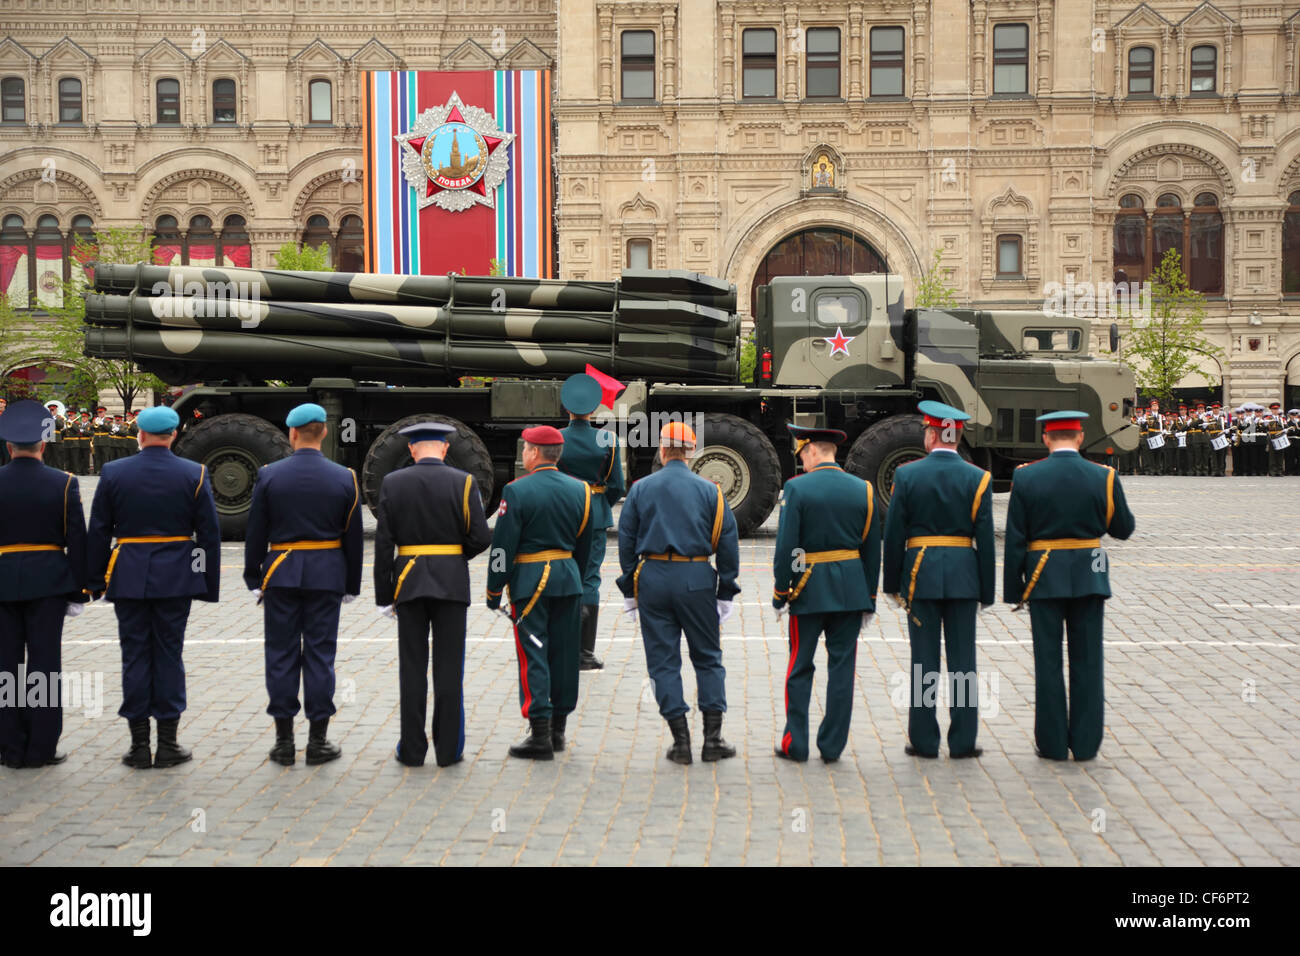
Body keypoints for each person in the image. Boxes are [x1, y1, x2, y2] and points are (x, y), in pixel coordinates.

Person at [86, 405, 221, 768]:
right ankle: (168, 743)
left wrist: (95, 580)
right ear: (174, 435)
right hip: (176, 576)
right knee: (168, 654)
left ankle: (138, 745)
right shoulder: (194, 472)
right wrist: (205, 580)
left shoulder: (114, 472)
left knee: (134, 656)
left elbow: (98, 529)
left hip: (128, 573)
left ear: (140, 435)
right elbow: (208, 534)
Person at [1004, 410, 1136, 761]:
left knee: (1048, 662)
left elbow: (1016, 538)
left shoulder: (1026, 478)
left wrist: (1014, 590)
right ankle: (1086, 742)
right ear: (1079, 438)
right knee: (1088, 661)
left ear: (1045, 439)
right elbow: (1123, 529)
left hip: (1043, 575)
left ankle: (1051, 742)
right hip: (1090, 575)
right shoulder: (1103, 476)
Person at [244, 403, 363, 766]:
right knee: (320, 655)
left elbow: (256, 532)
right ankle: (318, 741)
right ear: (324, 432)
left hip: (280, 573)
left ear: (292, 433)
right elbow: (353, 537)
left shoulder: (268, 475)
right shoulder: (344, 477)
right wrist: (351, 583)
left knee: (280, 655)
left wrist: (254, 576)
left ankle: (283, 742)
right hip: (326, 574)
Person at [617, 421, 740, 764]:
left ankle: (680, 740)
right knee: (708, 659)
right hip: (696, 575)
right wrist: (726, 588)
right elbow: (728, 542)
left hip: (653, 576)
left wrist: (629, 587)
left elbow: (626, 541)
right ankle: (713, 740)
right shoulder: (710, 490)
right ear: (691, 452)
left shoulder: (641, 489)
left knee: (662, 661)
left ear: (661, 449)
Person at [882, 401, 995, 760]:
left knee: (923, 661)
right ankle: (963, 741)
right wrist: (987, 590)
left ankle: (924, 740)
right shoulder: (979, 477)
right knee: (964, 662)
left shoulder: (907, 475)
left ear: (931, 436)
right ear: (957, 437)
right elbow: (987, 540)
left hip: (920, 575)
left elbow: (894, 533)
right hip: (964, 575)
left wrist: (891, 584)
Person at [375, 421, 491, 768]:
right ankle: (448, 750)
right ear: (444, 449)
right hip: (451, 582)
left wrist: (384, 595)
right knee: (449, 669)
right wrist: (455, 557)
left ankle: (411, 750)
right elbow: (481, 537)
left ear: (412, 450)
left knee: (412, 669)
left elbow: (383, 545)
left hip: (408, 583)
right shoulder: (464, 482)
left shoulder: (392, 483)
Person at [771, 425, 881, 763]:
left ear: (812, 451)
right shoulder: (863, 489)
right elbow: (871, 549)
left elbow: (789, 546)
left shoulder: (797, 488)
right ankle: (832, 746)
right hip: (851, 590)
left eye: (802, 455)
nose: (801, 462)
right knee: (842, 670)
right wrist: (869, 598)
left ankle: (797, 743)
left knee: (800, 666)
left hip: (808, 589)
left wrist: (782, 589)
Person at [486, 425, 593, 759]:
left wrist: (493, 589)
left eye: (525, 448)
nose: (523, 453)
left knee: (534, 653)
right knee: (563, 656)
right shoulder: (582, 490)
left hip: (531, 582)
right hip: (568, 579)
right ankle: (559, 731)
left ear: (534, 452)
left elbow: (502, 547)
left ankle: (540, 734)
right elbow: (584, 547)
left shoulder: (517, 491)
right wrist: (577, 579)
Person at [0, 400, 86, 768]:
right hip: (49, 582)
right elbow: (78, 542)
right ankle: (41, 747)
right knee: (44, 667)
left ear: (8, 446)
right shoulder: (64, 483)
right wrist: (80, 590)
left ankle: (9, 746)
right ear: (44, 444)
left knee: (5, 668)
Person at [557, 372, 626, 670]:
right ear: (594, 409)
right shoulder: (607, 439)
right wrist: (600, 506)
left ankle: (560, 646)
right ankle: (584, 653)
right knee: (589, 580)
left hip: (561, 513)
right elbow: (618, 486)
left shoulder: (556, 438)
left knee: (561, 573)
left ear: (567, 408)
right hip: (595, 512)